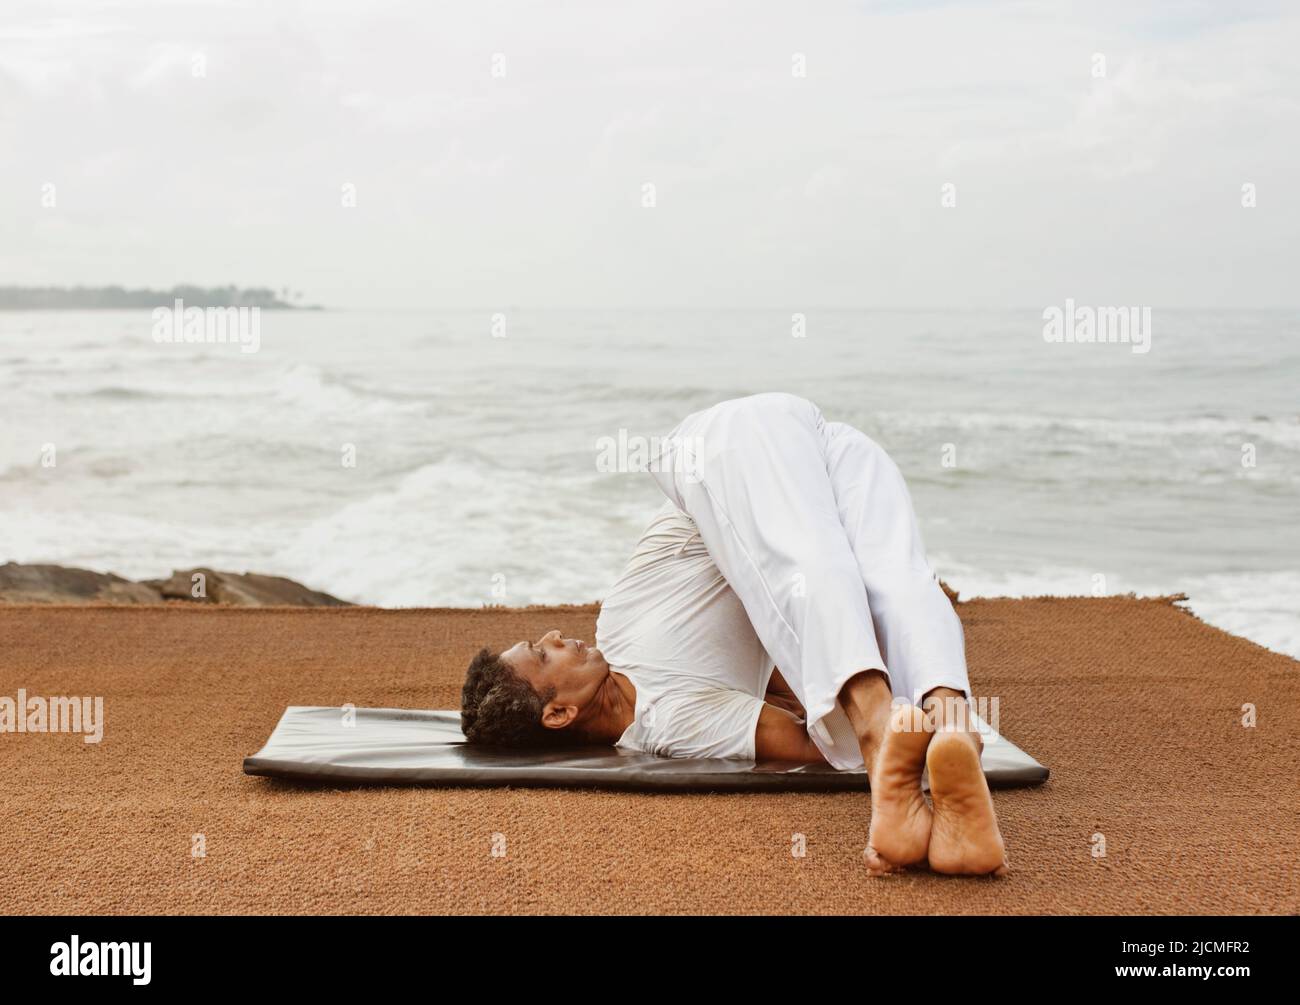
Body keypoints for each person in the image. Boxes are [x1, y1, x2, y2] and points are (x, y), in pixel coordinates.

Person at [461, 392, 1007, 876]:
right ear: (557, 713)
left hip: (806, 446)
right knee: (854, 570)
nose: (556, 634)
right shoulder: (670, 720)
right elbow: (799, 734)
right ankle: (927, 728)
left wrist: (797, 687)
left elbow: (772, 650)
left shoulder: (652, 687)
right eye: (542, 652)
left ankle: (931, 731)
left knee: (881, 575)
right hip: (721, 442)